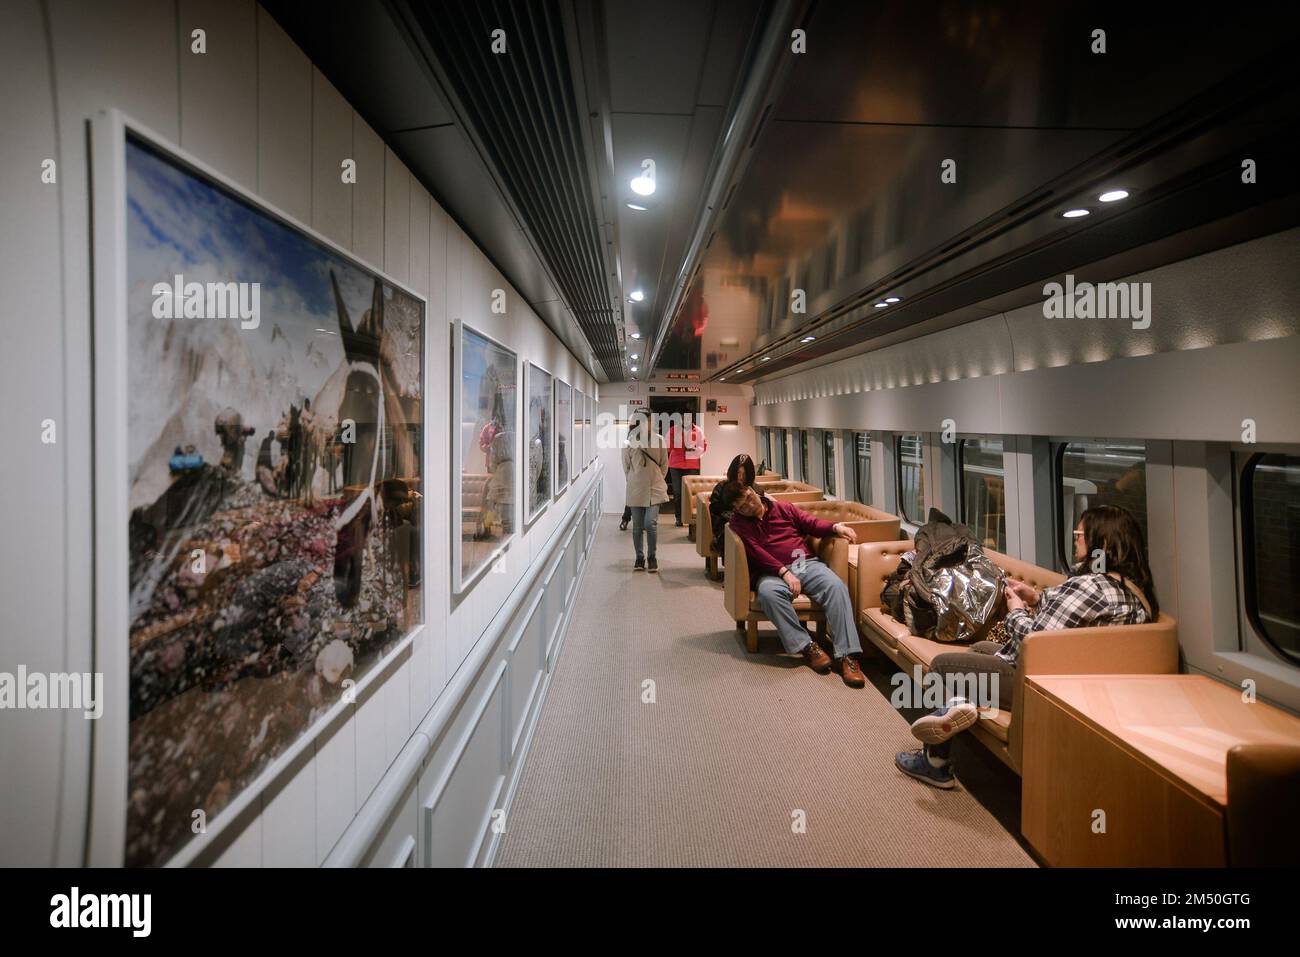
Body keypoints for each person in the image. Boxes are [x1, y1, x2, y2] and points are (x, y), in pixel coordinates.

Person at [895, 504, 1158, 789]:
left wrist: (1016, 610)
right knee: (982, 648)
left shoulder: (1088, 586)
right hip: (1076, 680)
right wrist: (1035, 597)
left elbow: (1034, 643)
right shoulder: (1132, 593)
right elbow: (1074, 619)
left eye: (1080, 533)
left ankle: (936, 763)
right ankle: (961, 703)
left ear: (1102, 542)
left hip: (1039, 683)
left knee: (941, 667)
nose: (1075, 538)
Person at [720, 481, 865, 686]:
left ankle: (848, 655)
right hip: (770, 572)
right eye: (742, 507)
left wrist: (835, 527)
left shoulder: (784, 508)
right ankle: (807, 646)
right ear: (736, 510)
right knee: (769, 594)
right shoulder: (738, 524)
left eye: (749, 498)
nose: (750, 506)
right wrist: (784, 572)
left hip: (803, 563)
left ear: (753, 491)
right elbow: (757, 553)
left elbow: (811, 524)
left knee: (836, 586)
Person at [621, 410, 669, 572]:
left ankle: (652, 557)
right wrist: (636, 479)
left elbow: (664, 465)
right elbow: (626, 468)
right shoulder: (628, 443)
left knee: (651, 523)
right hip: (636, 489)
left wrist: (656, 479)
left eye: (649, 421)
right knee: (637, 526)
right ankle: (639, 558)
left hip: (654, 488)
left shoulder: (660, 441)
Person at [708, 454, 757, 557]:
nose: (741, 477)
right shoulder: (722, 487)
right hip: (725, 523)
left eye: (744, 474)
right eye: (738, 473)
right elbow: (714, 508)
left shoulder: (755, 489)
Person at [665, 415, 707, 526]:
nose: (685, 420)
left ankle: (690, 517)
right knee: (677, 493)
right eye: (683, 418)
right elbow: (667, 446)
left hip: (692, 464)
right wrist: (680, 446)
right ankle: (678, 518)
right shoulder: (673, 430)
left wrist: (694, 449)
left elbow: (704, 447)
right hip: (676, 464)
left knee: (690, 494)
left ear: (692, 419)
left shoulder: (698, 431)